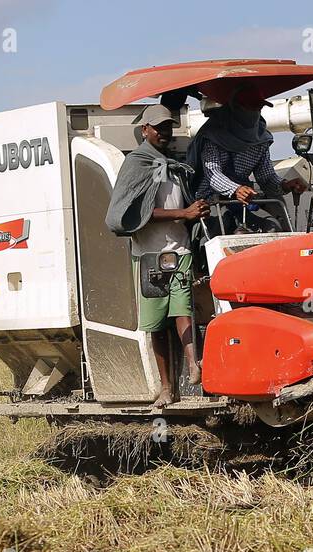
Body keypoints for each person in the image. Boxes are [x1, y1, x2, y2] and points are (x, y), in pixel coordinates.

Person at [104, 104, 208, 407]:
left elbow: (183, 202)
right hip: (149, 255)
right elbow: (132, 213)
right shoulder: (136, 164)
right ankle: (166, 387)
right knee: (156, 324)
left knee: (182, 309)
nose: (165, 132)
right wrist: (183, 212)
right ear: (144, 131)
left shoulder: (173, 166)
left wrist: (195, 210)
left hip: (180, 250)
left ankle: (192, 365)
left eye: (168, 127)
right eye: (159, 127)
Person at [187, 90, 307, 235]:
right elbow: (213, 174)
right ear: (235, 109)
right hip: (211, 200)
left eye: (258, 108)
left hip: (244, 203)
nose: (255, 113)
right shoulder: (212, 135)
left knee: (273, 227)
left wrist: (285, 185)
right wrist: (236, 190)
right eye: (250, 108)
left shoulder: (261, 139)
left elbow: (266, 177)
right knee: (219, 231)